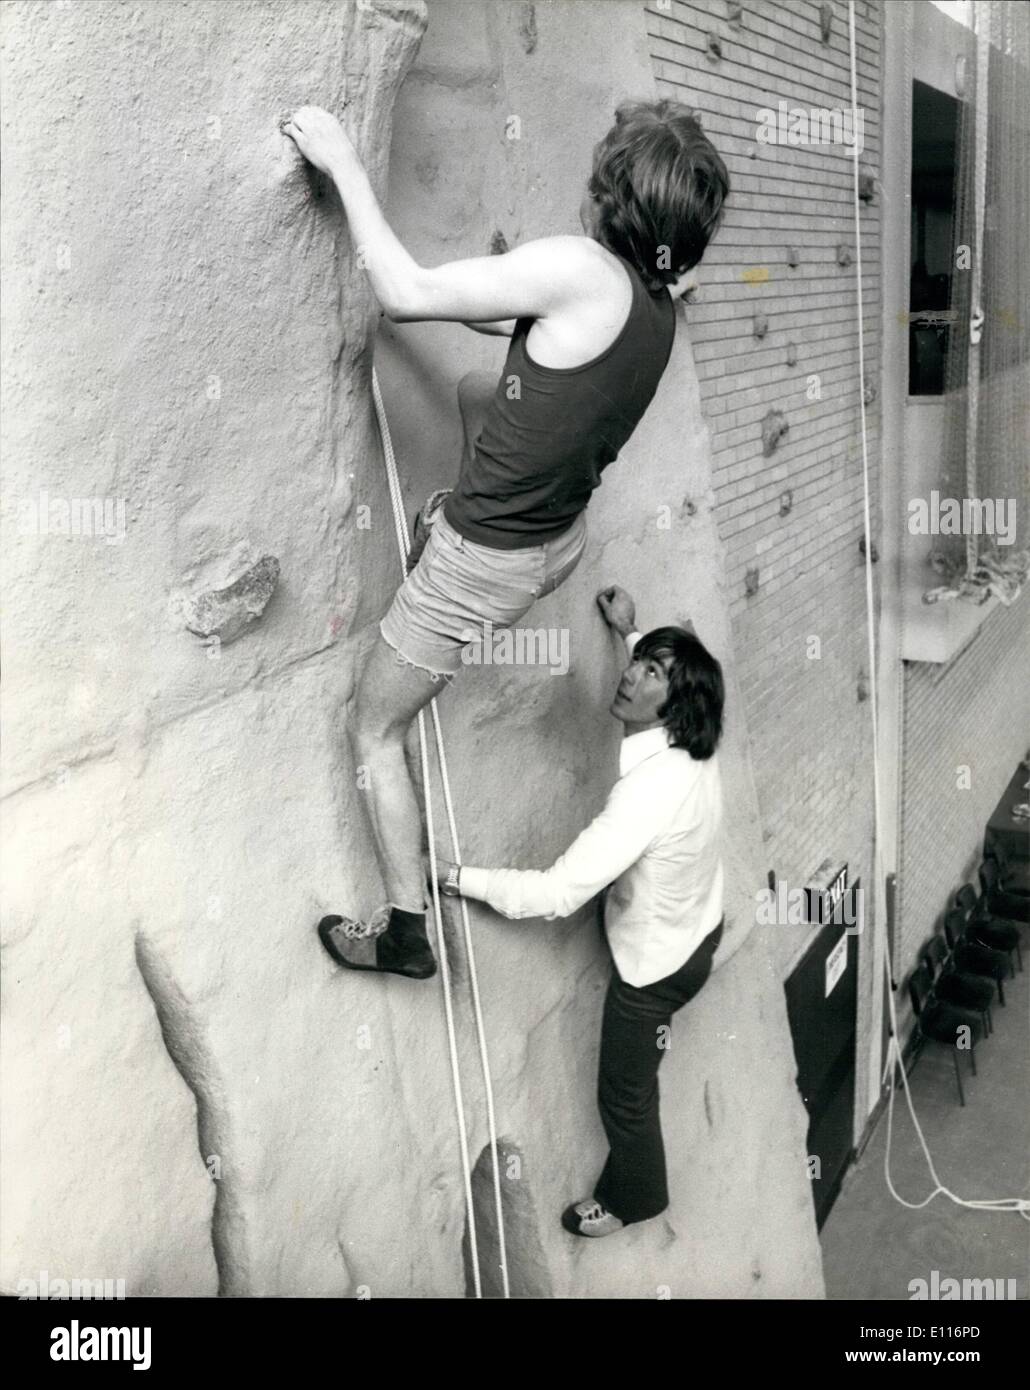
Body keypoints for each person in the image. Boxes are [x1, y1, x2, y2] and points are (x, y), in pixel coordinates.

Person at [283, 100, 730, 979]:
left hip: (484, 558)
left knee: (372, 728)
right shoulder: (661, 303)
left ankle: (407, 932)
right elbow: (509, 319)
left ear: (611, 194)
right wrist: (507, 278)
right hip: (557, 536)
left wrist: (344, 166)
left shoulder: (578, 270)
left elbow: (405, 295)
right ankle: (453, 521)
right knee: (480, 399)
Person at [436, 585, 751, 1237]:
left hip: (655, 972)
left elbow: (557, 894)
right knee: (636, 1082)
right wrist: (631, 632)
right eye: (641, 663)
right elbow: (661, 670)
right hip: (700, 926)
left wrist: (456, 876)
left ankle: (638, 1197)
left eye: (652, 673)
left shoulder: (646, 795)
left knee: (625, 1098)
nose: (632, 676)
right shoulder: (698, 740)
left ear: (678, 703)